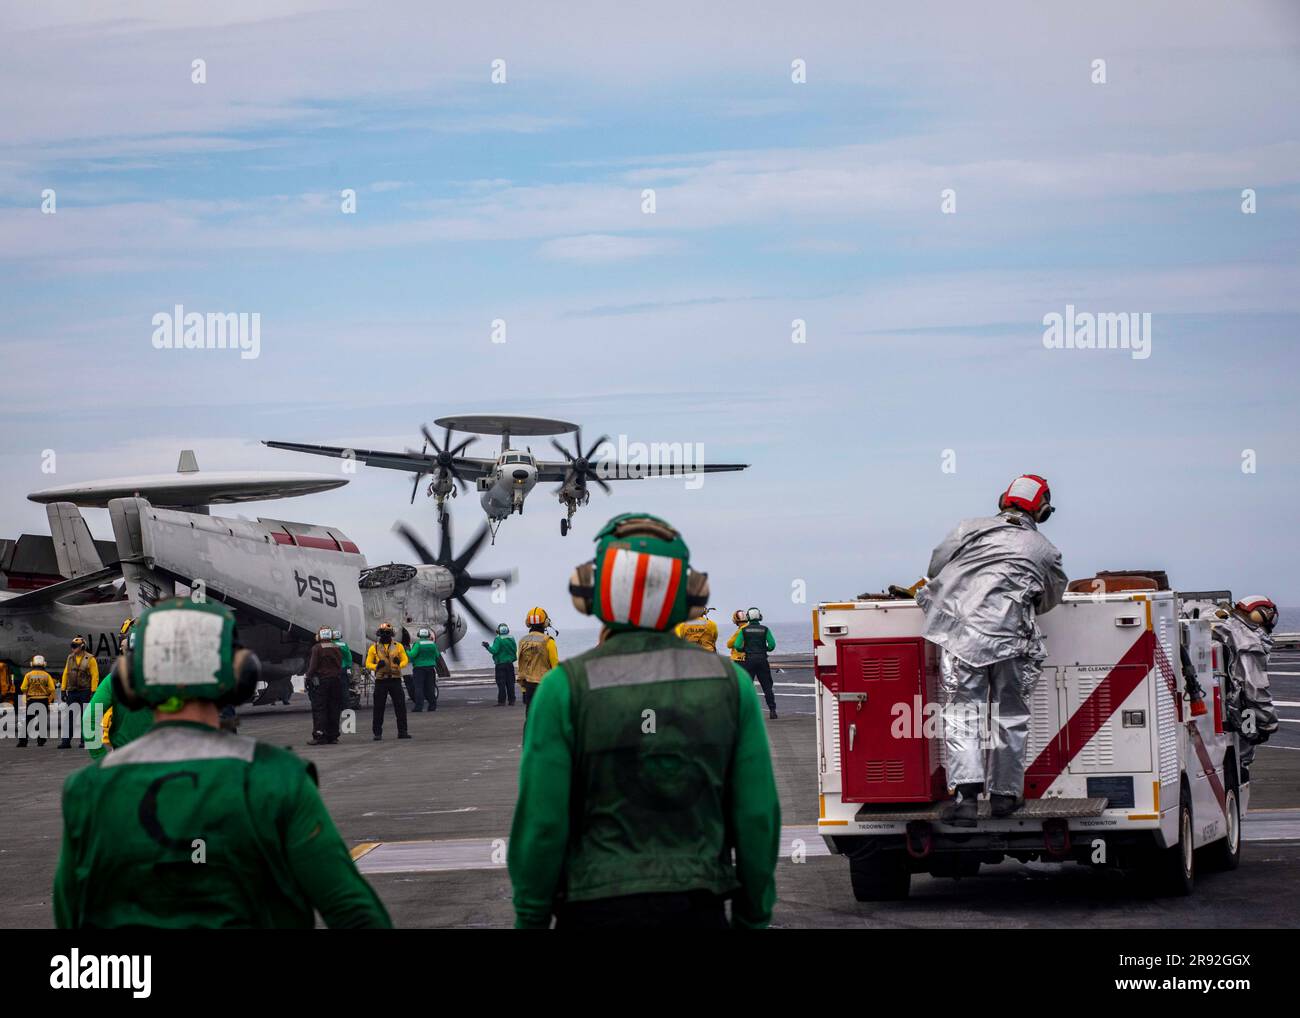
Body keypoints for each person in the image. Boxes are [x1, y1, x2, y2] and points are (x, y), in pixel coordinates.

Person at [508, 513, 780, 929]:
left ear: (590, 590)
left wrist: (530, 918)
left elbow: (542, 823)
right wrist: (753, 917)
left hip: (591, 910)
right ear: (692, 593)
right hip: (698, 910)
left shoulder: (562, 689)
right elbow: (757, 817)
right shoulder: (732, 686)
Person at [52, 597, 391, 928]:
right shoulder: (278, 781)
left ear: (132, 678)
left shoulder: (89, 792)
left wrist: (103, 759)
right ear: (237, 676)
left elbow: (71, 917)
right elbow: (353, 912)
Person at [916, 473, 1067, 826]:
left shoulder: (968, 528)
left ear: (1003, 500)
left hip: (961, 636)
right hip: (1013, 640)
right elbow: (1050, 597)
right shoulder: (1045, 550)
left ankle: (966, 801)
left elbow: (935, 566)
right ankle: (1004, 796)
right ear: (1042, 512)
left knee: (963, 717)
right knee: (1011, 716)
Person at [1216, 595, 1280, 783]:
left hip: (1214, 706)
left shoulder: (1225, 626)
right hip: (1232, 712)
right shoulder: (1248, 640)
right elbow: (1253, 688)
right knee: (1245, 744)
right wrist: (1268, 722)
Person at [83, 618, 154, 761]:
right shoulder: (175, 679)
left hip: (124, 761)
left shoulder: (113, 679)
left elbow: (89, 719)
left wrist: (99, 758)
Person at [728, 608, 778, 719]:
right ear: (760, 616)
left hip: (749, 661)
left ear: (748, 617)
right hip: (762, 660)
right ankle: (772, 710)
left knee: (747, 687)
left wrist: (744, 650)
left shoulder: (744, 630)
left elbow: (736, 645)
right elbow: (772, 645)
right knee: (767, 687)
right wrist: (766, 649)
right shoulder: (765, 629)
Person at [366, 622, 410, 741]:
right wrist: (376, 666)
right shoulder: (373, 648)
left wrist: (399, 663)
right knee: (378, 708)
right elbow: (368, 663)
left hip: (395, 680)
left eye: (387, 633)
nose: (385, 635)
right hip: (381, 681)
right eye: (383, 633)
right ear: (379, 634)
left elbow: (405, 660)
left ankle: (403, 732)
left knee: (400, 707)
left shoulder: (398, 646)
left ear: (391, 634)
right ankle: (377, 733)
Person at [304, 627, 345, 746]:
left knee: (319, 708)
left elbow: (312, 666)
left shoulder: (317, 648)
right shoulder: (337, 647)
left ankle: (319, 735)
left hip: (322, 682)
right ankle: (333, 736)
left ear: (320, 636)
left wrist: (308, 677)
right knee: (334, 708)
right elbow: (340, 663)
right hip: (336, 680)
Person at [58, 636, 100, 749]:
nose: (73, 648)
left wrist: (94, 691)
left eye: (75, 646)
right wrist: (63, 690)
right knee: (69, 717)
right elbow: (66, 673)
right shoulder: (70, 658)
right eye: (72, 646)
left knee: (85, 717)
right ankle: (66, 742)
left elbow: (95, 675)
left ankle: (84, 741)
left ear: (82, 647)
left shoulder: (90, 659)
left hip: (85, 692)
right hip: (72, 692)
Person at [516, 607, 558, 718]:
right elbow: (555, 667)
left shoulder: (522, 641)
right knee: (547, 718)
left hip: (529, 686)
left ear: (528, 623)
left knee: (530, 719)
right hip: (546, 686)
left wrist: (523, 689)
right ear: (546, 623)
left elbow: (521, 666)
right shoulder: (548, 641)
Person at [17, 656, 57, 747]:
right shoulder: (46, 675)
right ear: (44, 664)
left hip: (32, 700)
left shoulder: (28, 675)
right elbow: (52, 688)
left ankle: (23, 741)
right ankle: (41, 741)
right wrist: (48, 696)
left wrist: (29, 692)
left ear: (32, 664)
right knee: (42, 721)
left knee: (28, 721)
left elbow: (23, 688)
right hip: (43, 700)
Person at [407, 627, 443, 712]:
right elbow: (437, 655)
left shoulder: (418, 644)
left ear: (419, 635)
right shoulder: (432, 644)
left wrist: (406, 651)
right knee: (430, 688)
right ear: (428, 635)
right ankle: (432, 706)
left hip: (419, 669)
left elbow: (412, 655)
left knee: (419, 688)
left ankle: (419, 707)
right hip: (430, 668)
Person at [483, 623, 517, 706]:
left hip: (500, 664)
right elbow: (515, 650)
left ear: (498, 631)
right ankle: (511, 700)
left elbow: (494, 651)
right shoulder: (511, 638)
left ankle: (501, 701)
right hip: (510, 664)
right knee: (510, 683)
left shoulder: (498, 639)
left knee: (501, 683)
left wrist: (487, 646)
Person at [332, 628, 358, 709]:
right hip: (343, 669)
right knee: (344, 689)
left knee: (333, 690)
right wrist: (348, 666)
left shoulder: (330, 644)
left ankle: (334, 706)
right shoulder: (344, 644)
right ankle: (346, 707)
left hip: (333, 670)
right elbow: (349, 657)